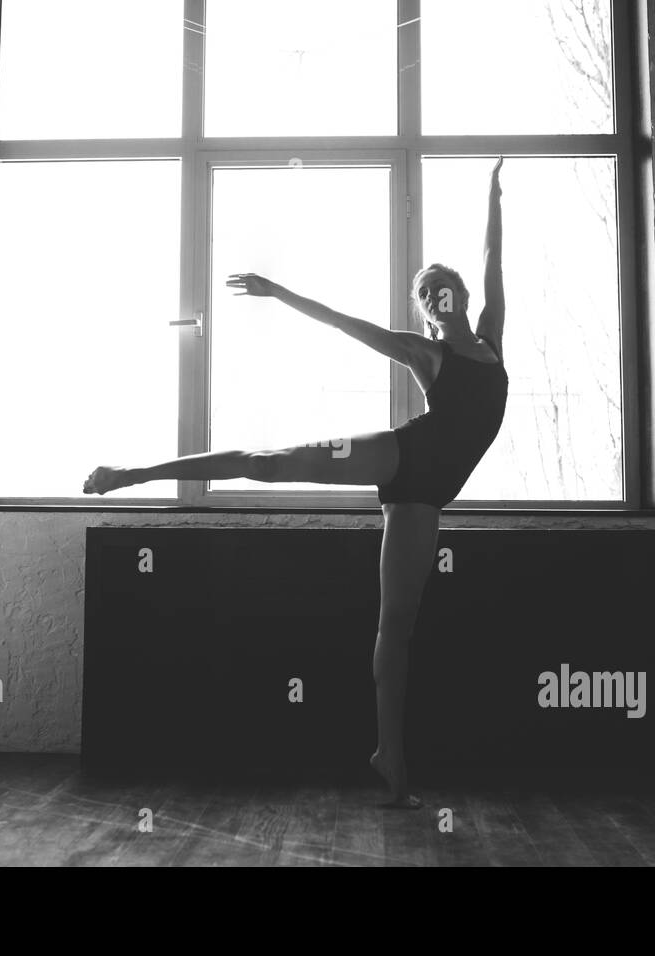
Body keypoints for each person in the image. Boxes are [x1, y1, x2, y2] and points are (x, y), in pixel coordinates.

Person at [84, 158, 508, 808]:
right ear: (426, 313)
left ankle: (389, 757)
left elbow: (492, 260)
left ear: (464, 299)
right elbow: (343, 321)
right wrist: (277, 291)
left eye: (446, 290)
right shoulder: (426, 352)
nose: (442, 299)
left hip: (427, 497)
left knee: (397, 625)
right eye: (430, 296)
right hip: (403, 459)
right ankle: (133, 473)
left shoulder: (491, 340)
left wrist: (493, 195)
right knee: (271, 459)